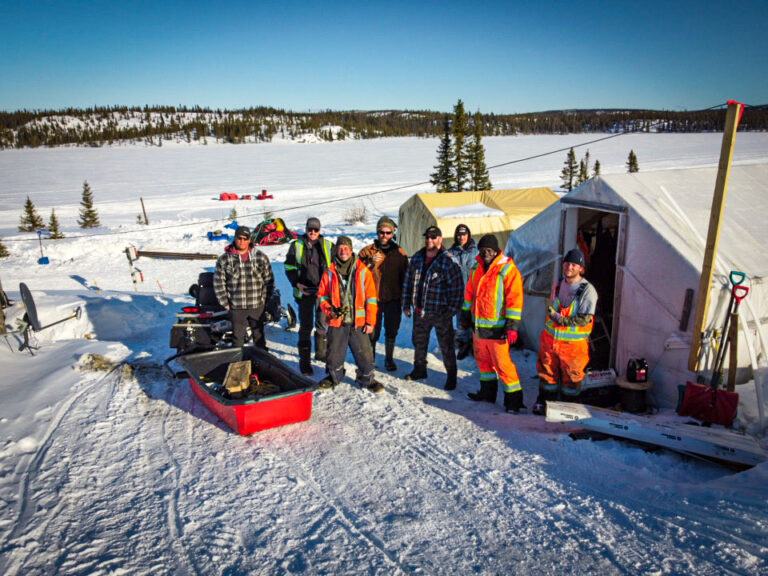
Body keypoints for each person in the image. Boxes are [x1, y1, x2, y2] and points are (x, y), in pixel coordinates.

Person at [461, 235, 525, 413]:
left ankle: (514, 401)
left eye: (489, 250)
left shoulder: (508, 269)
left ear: (496, 251)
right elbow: (469, 294)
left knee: (503, 365)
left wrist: (512, 327)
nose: (486, 253)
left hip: (498, 330)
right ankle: (487, 393)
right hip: (479, 328)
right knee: (483, 363)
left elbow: (515, 300)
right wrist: (465, 315)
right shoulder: (476, 268)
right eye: (483, 250)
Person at [533, 248, 598, 415]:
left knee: (572, 379)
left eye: (574, 265)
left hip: (573, 346)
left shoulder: (587, 291)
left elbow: (584, 319)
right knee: (547, 374)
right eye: (567, 263)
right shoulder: (558, 284)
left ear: (581, 269)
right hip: (550, 342)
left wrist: (561, 320)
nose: (570, 267)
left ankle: (569, 408)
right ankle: (546, 402)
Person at [402, 226, 464, 390]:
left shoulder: (448, 261)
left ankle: (451, 375)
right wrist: (406, 303)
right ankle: (420, 369)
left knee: (446, 344)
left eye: (433, 237)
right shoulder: (417, 257)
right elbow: (408, 282)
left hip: (440, 312)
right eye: (427, 237)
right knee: (419, 341)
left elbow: (457, 289)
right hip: (420, 311)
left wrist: (450, 311)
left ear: (440, 239)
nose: (430, 240)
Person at [317, 236, 382, 392]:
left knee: (366, 357)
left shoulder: (363, 271)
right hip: (337, 322)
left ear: (351, 250)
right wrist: (330, 310)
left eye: (346, 248)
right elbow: (322, 296)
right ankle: (334, 378)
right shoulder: (330, 272)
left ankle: (367, 380)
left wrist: (370, 321)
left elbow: (371, 299)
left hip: (358, 323)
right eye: (340, 248)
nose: (343, 251)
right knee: (333, 356)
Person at [358, 216, 408, 372]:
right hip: (374, 300)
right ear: (377, 232)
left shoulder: (399, 253)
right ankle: (370, 359)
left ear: (392, 234)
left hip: (394, 298)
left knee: (392, 330)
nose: (384, 236)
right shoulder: (367, 251)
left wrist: (405, 300)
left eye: (388, 232)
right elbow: (356, 272)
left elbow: (406, 277)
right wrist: (369, 263)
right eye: (381, 232)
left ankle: (389, 358)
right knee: (373, 330)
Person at [285, 217, 335, 375]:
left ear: (320, 231)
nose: (312, 233)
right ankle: (304, 361)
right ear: (306, 229)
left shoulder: (328, 246)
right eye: (310, 230)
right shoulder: (297, 245)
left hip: (323, 292)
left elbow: (335, 268)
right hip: (304, 291)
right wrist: (297, 284)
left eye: (316, 230)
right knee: (306, 326)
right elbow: (289, 267)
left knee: (322, 324)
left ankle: (321, 354)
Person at [213, 225, 275, 348]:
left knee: (259, 336)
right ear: (235, 238)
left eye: (245, 238)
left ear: (250, 240)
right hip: (237, 307)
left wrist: (265, 301)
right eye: (239, 238)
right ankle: (238, 364)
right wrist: (225, 303)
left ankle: (261, 363)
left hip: (257, 305)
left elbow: (269, 280)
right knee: (238, 338)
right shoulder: (225, 259)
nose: (242, 241)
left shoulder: (260, 257)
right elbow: (218, 282)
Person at [447, 224, 478, 360]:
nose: (461, 237)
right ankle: (462, 345)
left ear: (468, 235)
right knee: (461, 321)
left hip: (474, 293)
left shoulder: (476, 252)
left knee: (475, 321)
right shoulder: (451, 252)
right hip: (459, 294)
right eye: (459, 235)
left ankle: (476, 346)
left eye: (464, 234)